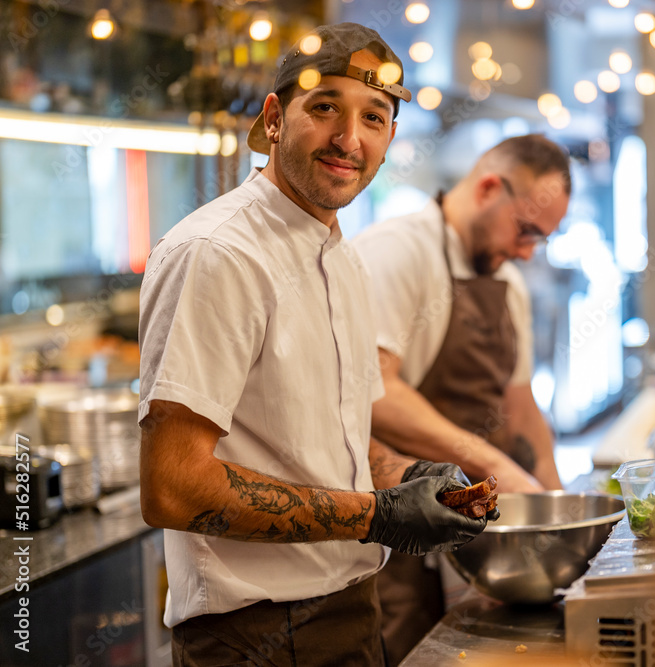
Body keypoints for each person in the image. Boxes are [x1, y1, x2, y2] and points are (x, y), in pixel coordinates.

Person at [138, 23, 491, 667]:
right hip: (253, 636)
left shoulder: (343, 261)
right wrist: (376, 516)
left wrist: (409, 479)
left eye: (374, 117)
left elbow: (336, 439)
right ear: (274, 118)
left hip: (352, 608)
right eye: (324, 106)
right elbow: (174, 487)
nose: (349, 139)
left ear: (390, 139)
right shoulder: (217, 254)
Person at [352, 134, 572, 664]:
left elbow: (521, 410)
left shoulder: (507, 284)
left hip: (474, 530)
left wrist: (560, 513)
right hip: (396, 530)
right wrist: (491, 463)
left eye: (538, 241)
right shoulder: (397, 252)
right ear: (489, 188)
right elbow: (374, 394)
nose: (525, 253)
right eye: (525, 231)